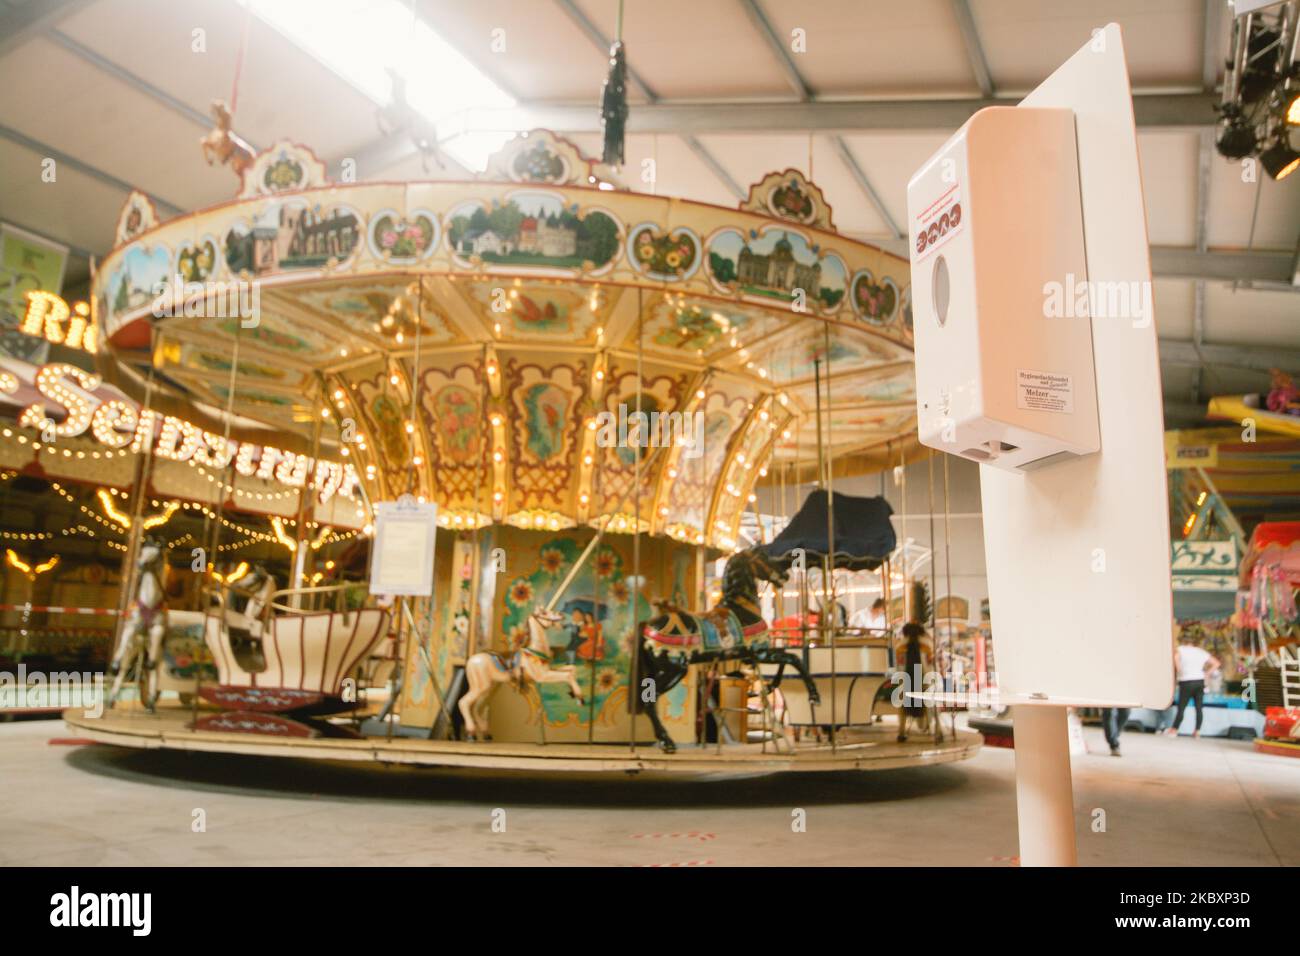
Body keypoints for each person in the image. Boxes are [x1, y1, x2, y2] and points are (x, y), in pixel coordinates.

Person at [1165, 638, 1220, 738]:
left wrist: (1180, 671)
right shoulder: (1201, 652)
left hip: (1186, 681)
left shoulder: (1181, 649)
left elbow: (1175, 659)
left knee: (1182, 707)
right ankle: (1197, 732)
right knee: (1199, 708)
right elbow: (1216, 663)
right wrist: (1207, 673)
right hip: (1199, 681)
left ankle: (1174, 730)